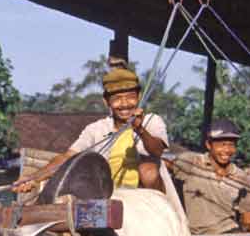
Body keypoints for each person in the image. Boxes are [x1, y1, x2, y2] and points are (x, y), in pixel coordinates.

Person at [15, 67, 168, 193]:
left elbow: (157, 151)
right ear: (106, 101)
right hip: (108, 195)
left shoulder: (151, 121)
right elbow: (68, 157)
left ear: (139, 96)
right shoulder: (96, 129)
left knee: (148, 171)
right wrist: (34, 178)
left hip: (147, 198)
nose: (124, 104)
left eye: (130, 97)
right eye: (117, 99)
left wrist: (140, 129)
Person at [168, 118, 250, 235]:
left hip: (229, 233)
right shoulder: (191, 162)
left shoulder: (241, 177)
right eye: (222, 145)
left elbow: (248, 217)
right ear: (208, 145)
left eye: (231, 145)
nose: (227, 150)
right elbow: (164, 167)